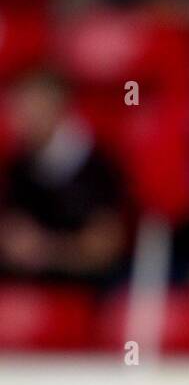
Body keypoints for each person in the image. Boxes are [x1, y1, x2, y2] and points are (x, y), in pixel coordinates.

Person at [0, 69, 128, 286]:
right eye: (19, 107)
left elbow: (105, 247)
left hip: (88, 292)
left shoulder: (98, 165)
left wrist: (46, 250)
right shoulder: (17, 166)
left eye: (34, 106)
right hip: (26, 291)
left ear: (59, 108)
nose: (23, 116)